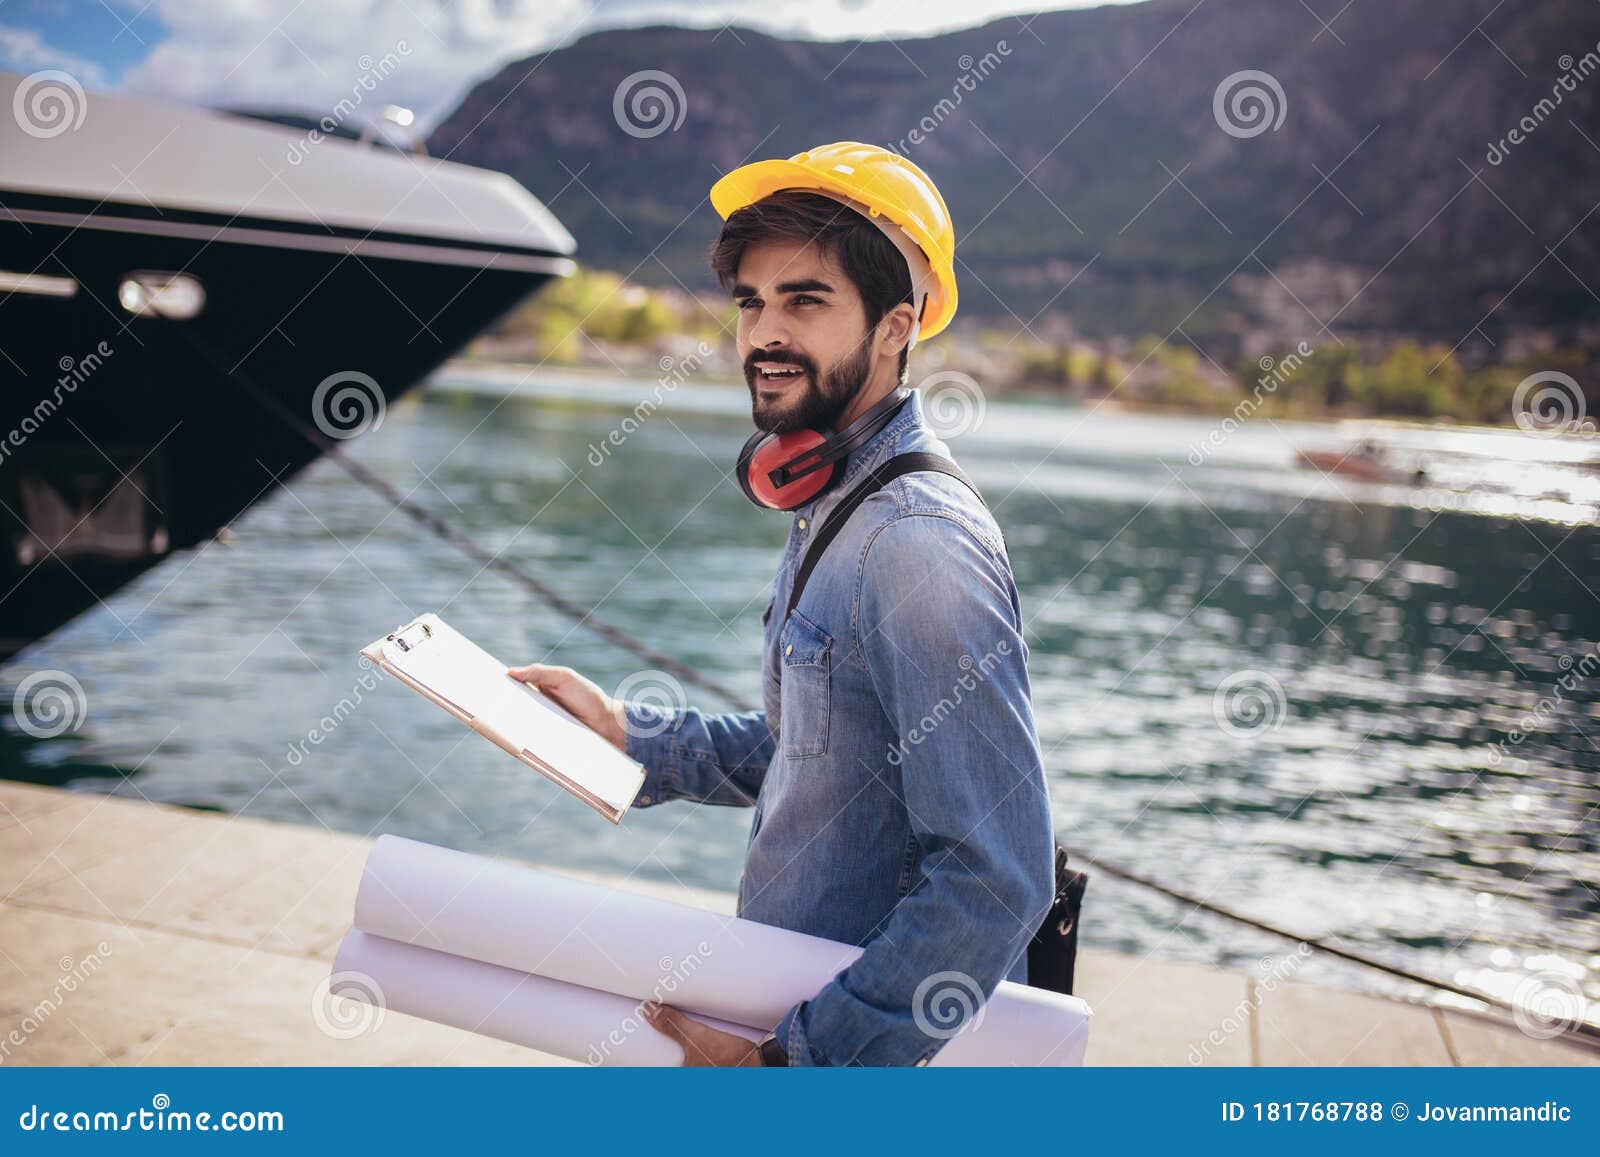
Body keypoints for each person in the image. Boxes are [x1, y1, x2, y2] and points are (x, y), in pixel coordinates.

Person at [511, 143, 1055, 1066]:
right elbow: (824, 752)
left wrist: (791, 1067)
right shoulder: (830, 502)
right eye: (750, 301)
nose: (764, 331)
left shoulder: (914, 541)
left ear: (897, 325)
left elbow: (996, 876)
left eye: (805, 300)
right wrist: (626, 735)